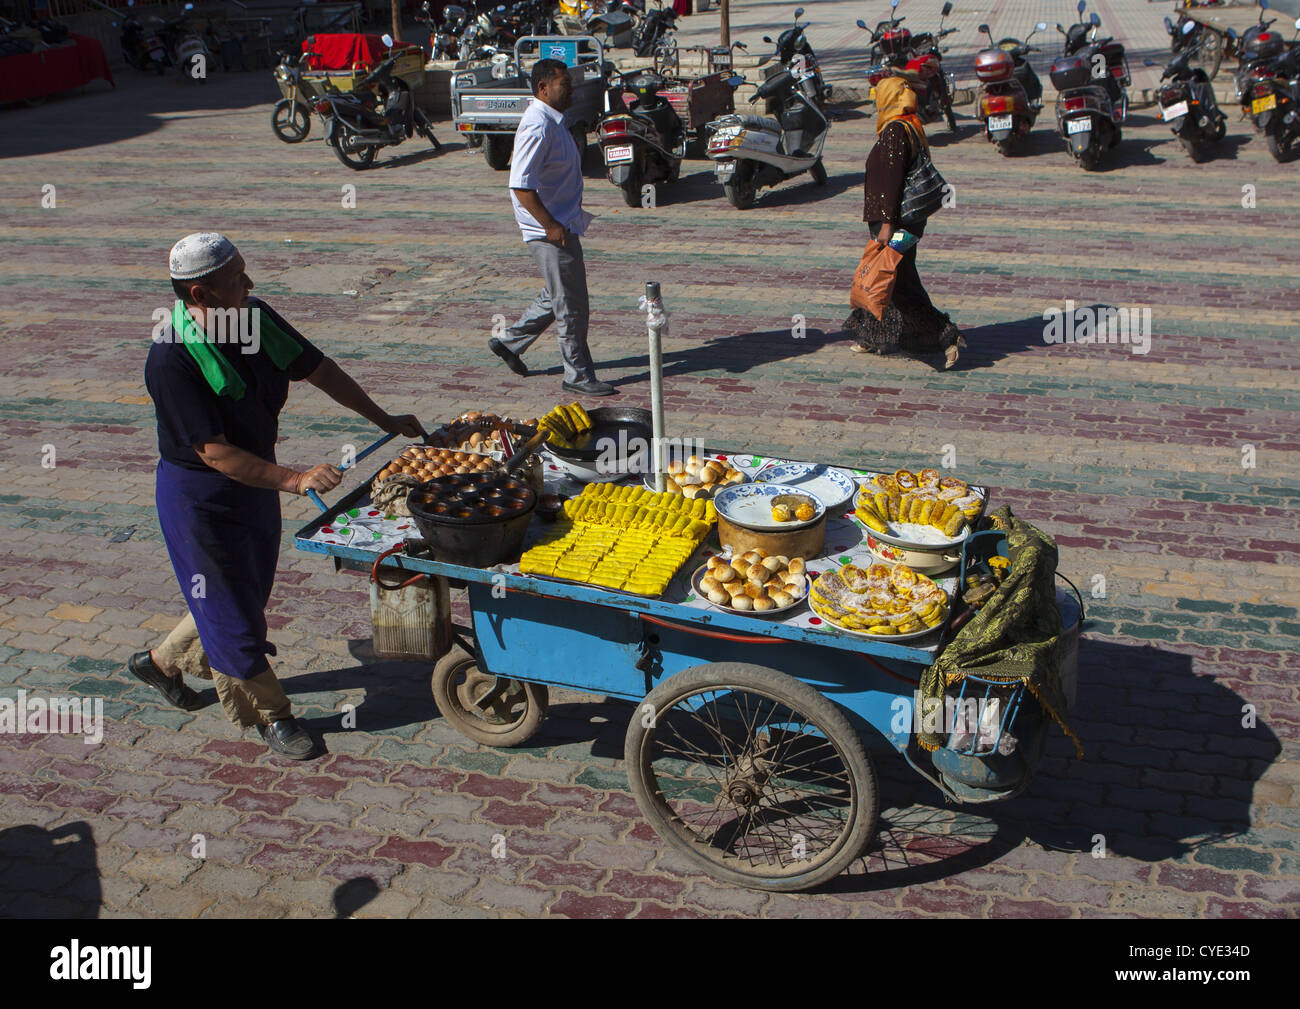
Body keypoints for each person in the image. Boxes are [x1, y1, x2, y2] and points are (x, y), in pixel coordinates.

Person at [133, 232, 425, 759]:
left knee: (240, 594)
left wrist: (383, 418)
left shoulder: (253, 318)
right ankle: (274, 715)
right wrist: (293, 479)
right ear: (200, 296)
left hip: (255, 481)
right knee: (230, 614)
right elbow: (215, 454)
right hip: (201, 498)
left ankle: (160, 662)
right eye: (236, 279)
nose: (249, 283)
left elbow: (319, 370)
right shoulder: (172, 359)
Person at [488, 57, 616, 397]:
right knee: (571, 304)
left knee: (559, 294)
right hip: (549, 229)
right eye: (564, 83)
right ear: (543, 88)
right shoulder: (538, 125)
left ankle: (509, 342)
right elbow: (520, 185)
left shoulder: (554, 120)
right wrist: (550, 226)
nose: (571, 87)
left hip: (561, 222)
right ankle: (577, 375)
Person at [844, 73, 967, 369]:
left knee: (899, 282)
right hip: (907, 222)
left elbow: (892, 181)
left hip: (895, 223)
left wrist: (886, 224)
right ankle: (870, 335)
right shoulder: (910, 125)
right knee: (883, 273)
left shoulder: (895, 131)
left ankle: (944, 336)